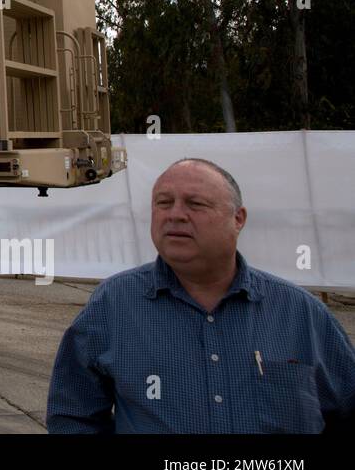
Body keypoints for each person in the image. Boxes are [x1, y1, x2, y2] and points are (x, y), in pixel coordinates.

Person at [47, 157, 355, 433]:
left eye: (195, 204)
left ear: (238, 219)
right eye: (163, 203)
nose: (175, 215)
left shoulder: (300, 314)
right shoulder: (113, 305)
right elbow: (73, 415)